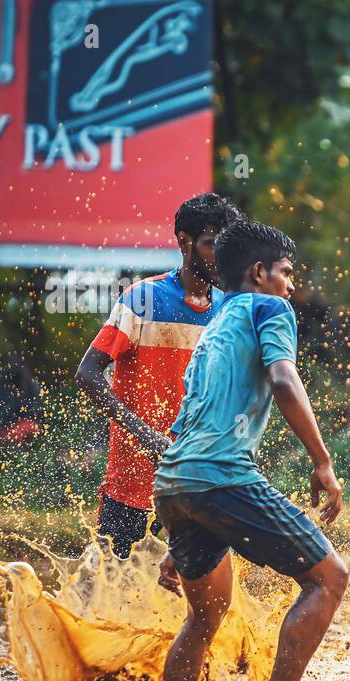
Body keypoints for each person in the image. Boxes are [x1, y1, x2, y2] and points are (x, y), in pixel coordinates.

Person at [152, 219, 350, 681]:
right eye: (286, 273)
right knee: (330, 578)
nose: (291, 284)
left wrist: (183, 518)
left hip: (175, 481)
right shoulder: (270, 308)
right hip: (221, 476)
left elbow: (190, 411)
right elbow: (284, 378)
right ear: (259, 273)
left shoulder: (216, 322)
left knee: (204, 614)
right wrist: (323, 461)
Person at [75, 192, 242, 558]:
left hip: (200, 488)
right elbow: (87, 375)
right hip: (131, 490)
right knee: (116, 605)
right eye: (212, 245)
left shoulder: (228, 311)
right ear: (184, 242)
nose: (222, 257)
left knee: (202, 606)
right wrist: (146, 436)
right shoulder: (142, 299)